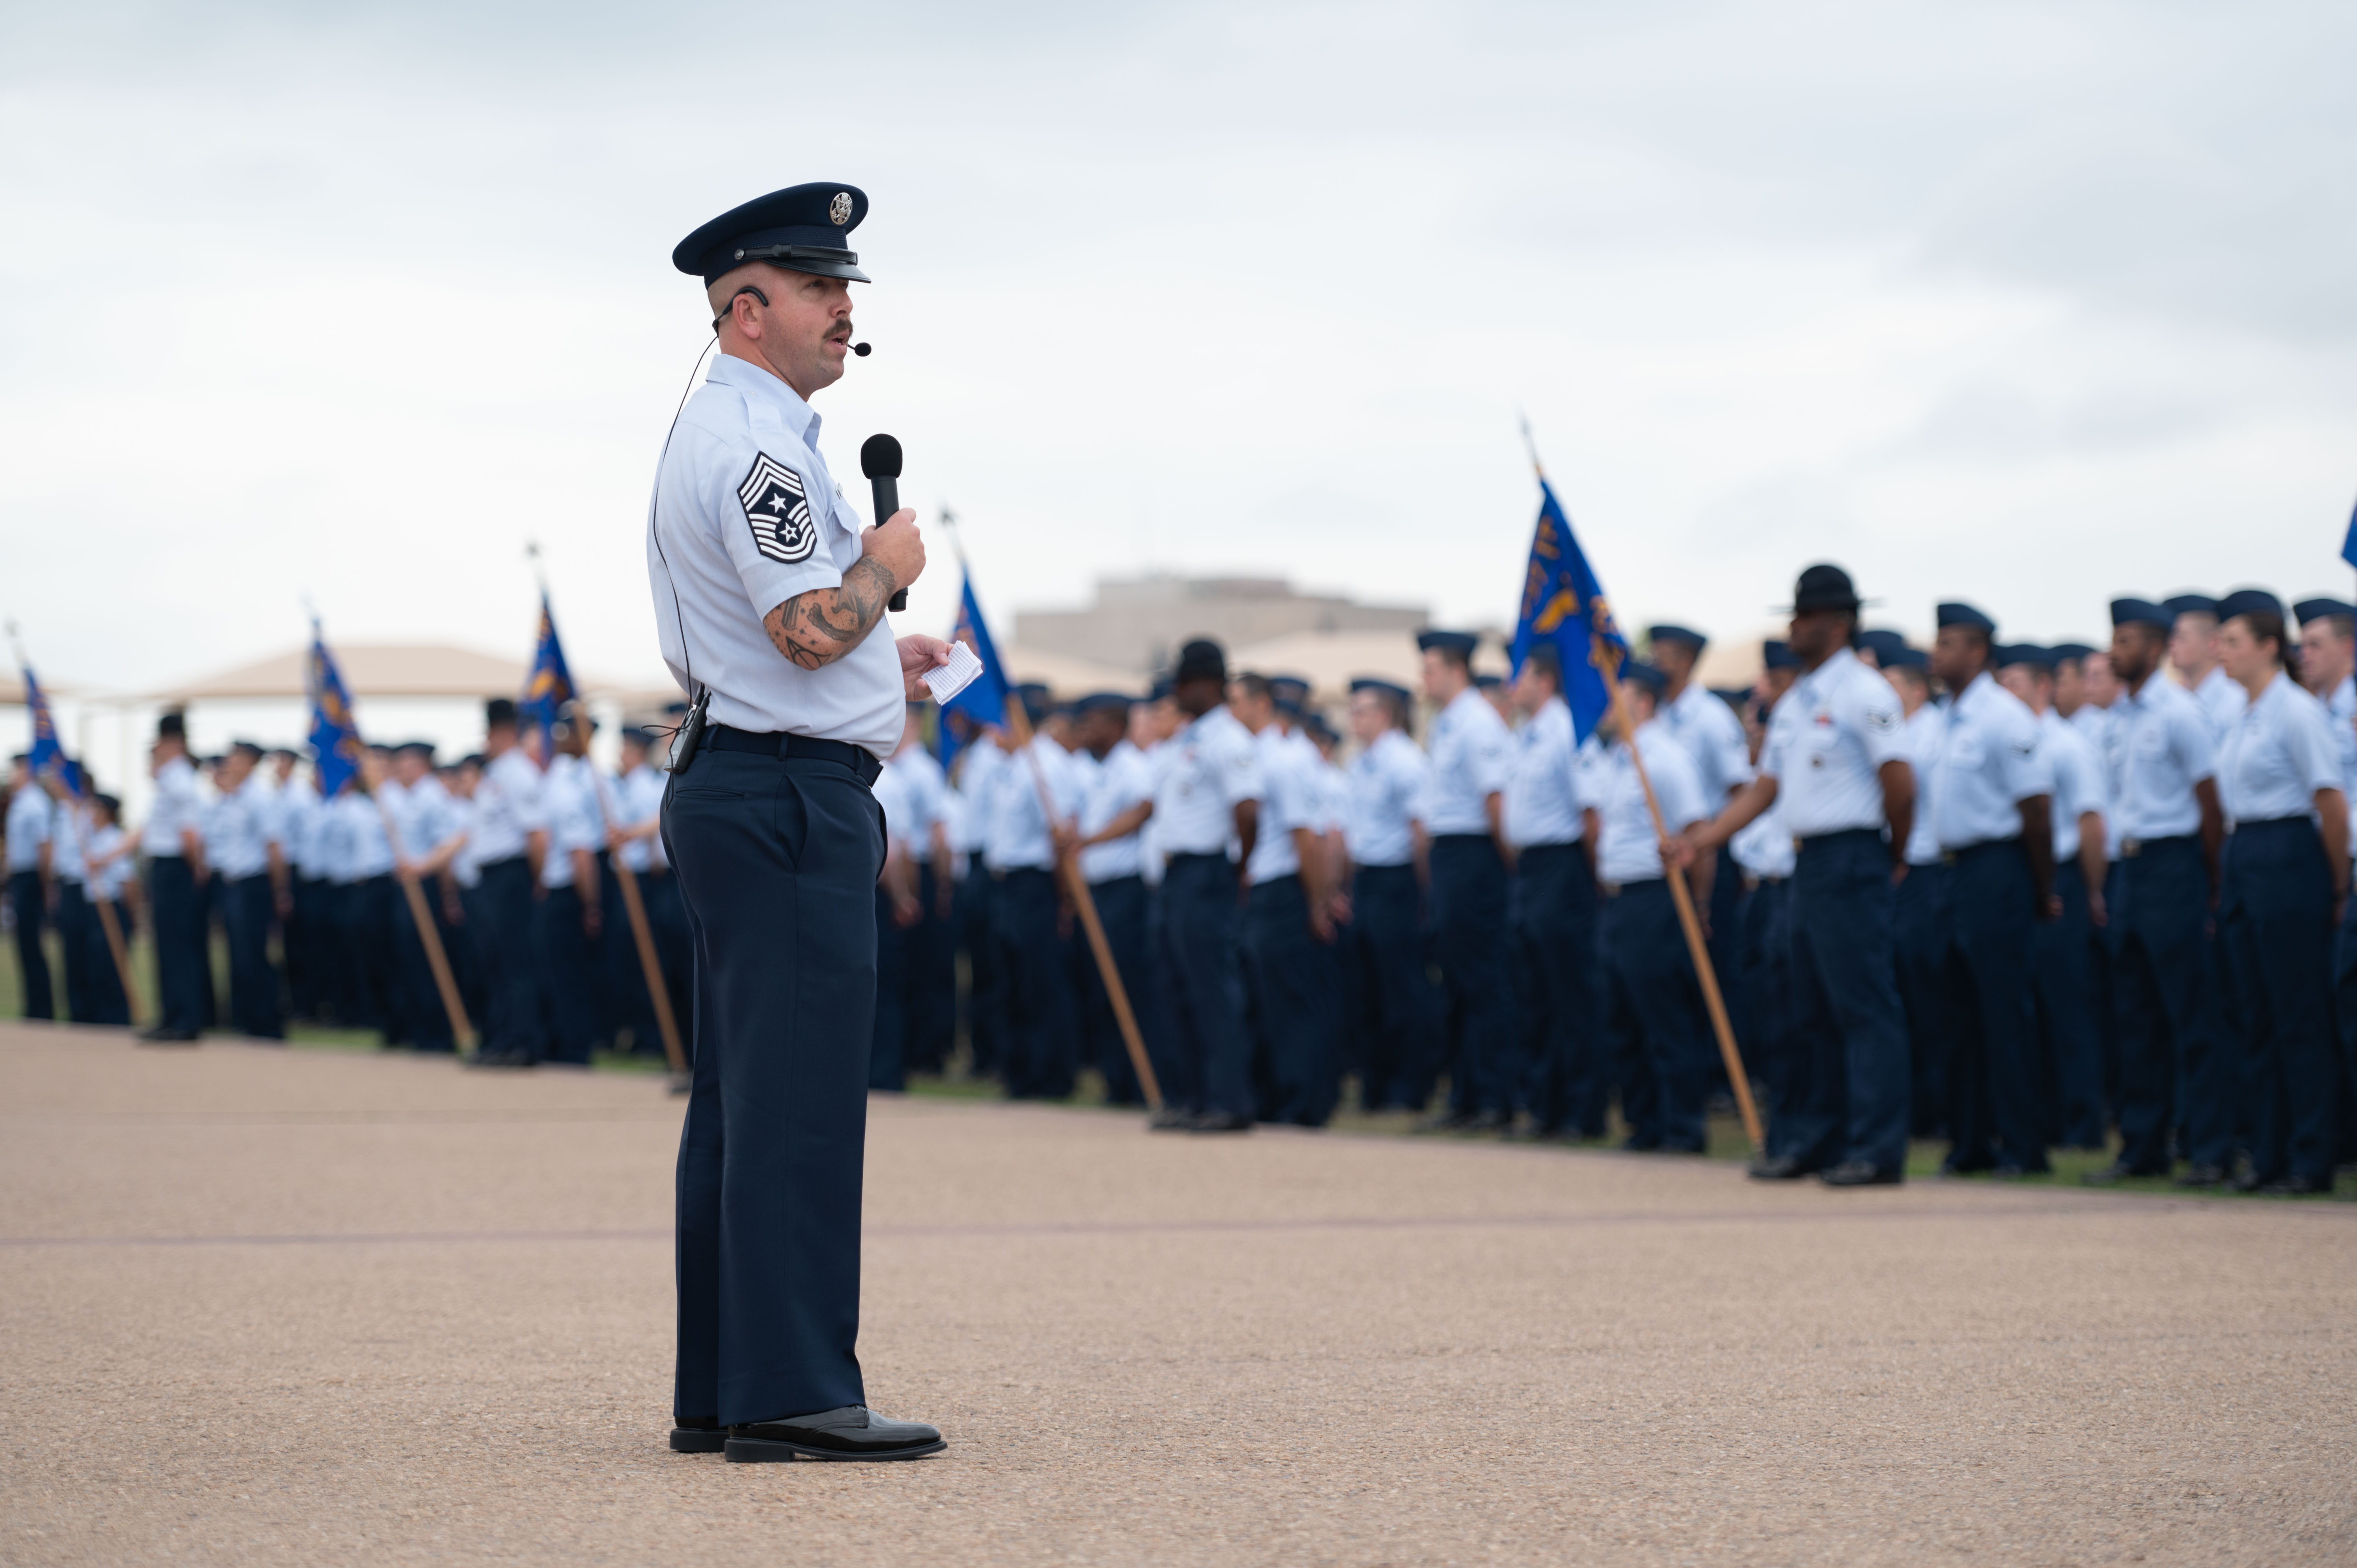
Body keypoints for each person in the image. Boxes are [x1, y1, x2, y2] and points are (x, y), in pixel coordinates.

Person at [651, 182, 951, 1461]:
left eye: (845, 289)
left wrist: (888, 656)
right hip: (781, 797)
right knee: (799, 1102)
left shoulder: (745, 437)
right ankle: (788, 1392)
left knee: (743, 1098)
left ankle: (726, 1383)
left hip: (752, 775)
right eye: (820, 286)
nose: (844, 307)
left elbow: (796, 646)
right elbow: (800, 624)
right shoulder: (762, 451)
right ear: (744, 307)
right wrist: (883, 572)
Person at [1689, 565, 1914, 1186]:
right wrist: (1702, 839)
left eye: (1802, 618)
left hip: (1852, 855)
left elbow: (1900, 782)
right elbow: (1766, 788)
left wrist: (1894, 851)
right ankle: (1815, 1139)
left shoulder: (1866, 692)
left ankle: (1876, 1147)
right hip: (1807, 862)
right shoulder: (1796, 701)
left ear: (1835, 624)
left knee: (1863, 1006)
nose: (1791, 628)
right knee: (1804, 1008)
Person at [2082, 598, 2229, 1187]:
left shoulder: (2178, 712)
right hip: (2131, 870)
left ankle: (2211, 1148)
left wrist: (2212, 883)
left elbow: (2211, 803)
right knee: (2135, 1014)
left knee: (2191, 1013)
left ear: (2154, 647)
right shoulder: (2120, 718)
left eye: (2124, 642)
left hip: (2175, 864)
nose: (2115, 652)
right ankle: (2144, 1146)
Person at [2212, 590, 2346, 1193]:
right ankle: (2267, 1153)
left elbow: (2330, 799)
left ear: (2270, 647)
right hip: (2246, 853)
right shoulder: (2242, 712)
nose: (2223, 653)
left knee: (2298, 1014)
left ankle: (2312, 1154)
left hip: (2289, 852)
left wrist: (2338, 883)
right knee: (2257, 1014)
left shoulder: (2295, 710)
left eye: (2234, 642)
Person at [1925, 608, 2056, 1176]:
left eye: (1948, 643)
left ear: (1978, 652)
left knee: (2005, 1013)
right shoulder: (1946, 719)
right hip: (1952, 872)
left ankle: (2024, 1146)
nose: (1936, 653)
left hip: (1998, 867)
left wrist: (2041, 886)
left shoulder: (2004, 716)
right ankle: (1971, 1141)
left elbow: (2036, 808)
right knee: (1959, 1015)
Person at [1591, 662, 1714, 1151]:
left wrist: (1700, 903)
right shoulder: (1621, 759)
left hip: (1656, 897)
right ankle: (1645, 1123)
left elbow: (1699, 833)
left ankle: (1683, 1125)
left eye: (1615, 696)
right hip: (1619, 899)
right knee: (1623, 1016)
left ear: (1641, 704)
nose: (1605, 706)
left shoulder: (1664, 759)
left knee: (1663, 1016)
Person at [1995, 645, 2111, 1150]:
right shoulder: (2015, 740)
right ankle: (2044, 1120)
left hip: (2062, 875)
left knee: (2068, 1008)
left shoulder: (2065, 744)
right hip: (2025, 876)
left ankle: (2083, 1126)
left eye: (2015, 684)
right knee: (2032, 1007)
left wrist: (2092, 889)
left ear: (2043, 687)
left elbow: (2090, 821)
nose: (2006, 695)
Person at [1149, 638, 1262, 1133]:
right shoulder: (1189, 739)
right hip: (1179, 877)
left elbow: (1248, 809)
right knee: (1180, 989)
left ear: (1210, 684)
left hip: (1207, 872)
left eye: (1185, 682)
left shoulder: (1229, 740)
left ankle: (1228, 1100)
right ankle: (1193, 1097)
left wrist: (1239, 867)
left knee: (1212, 990)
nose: (1177, 691)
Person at [1414, 629, 1517, 1132]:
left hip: (1475, 855)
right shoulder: (1448, 724)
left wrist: (1503, 868)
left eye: (1430, 669)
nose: (1423, 679)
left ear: (1456, 671)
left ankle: (1493, 1096)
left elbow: (1495, 801)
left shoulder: (1478, 722)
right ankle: (1465, 1095)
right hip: (1451, 854)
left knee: (1481, 979)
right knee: (1455, 978)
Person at [1232, 673, 1341, 1126]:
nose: (1230, 710)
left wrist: (1318, 903)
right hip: (1263, 889)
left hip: (1284, 890)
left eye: (1236, 700)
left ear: (1261, 704)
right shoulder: (1262, 755)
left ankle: (1304, 1101)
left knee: (1292, 1002)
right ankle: (1281, 1095)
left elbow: (1307, 838)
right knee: (1269, 1001)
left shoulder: (1285, 760)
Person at [1502, 645, 1601, 1139]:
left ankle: (1582, 1110)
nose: (1508, 686)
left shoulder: (1567, 730)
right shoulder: (1527, 735)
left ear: (1543, 681)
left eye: (1516, 676)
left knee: (1570, 992)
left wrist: (1592, 880)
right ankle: (1545, 1107)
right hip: (1532, 870)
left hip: (1564, 868)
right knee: (1535, 992)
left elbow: (1590, 814)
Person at [1340, 678, 1438, 1112]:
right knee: (1368, 988)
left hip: (1396, 880)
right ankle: (1375, 1084)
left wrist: (1422, 892)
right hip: (1366, 880)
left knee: (1402, 988)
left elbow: (1419, 832)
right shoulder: (1362, 762)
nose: (1353, 720)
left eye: (1360, 711)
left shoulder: (1404, 761)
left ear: (1384, 715)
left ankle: (1409, 1087)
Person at [979, 688, 1082, 1101]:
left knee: (1042, 982)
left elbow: (1059, 839)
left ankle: (1050, 1074)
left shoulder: (1046, 765)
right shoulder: (1014, 764)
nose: (991, 734)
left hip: (1035, 884)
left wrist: (1064, 900)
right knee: (1015, 981)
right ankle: (1021, 1071)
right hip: (1008, 884)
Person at [1065, 692, 1162, 1106]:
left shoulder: (1133, 767)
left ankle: (1135, 1081)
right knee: (1099, 987)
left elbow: (1143, 809)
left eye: (1092, 723)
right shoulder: (1092, 769)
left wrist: (1090, 839)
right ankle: (1113, 1079)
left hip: (1125, 890)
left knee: (1127, 985)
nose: (1085, 731)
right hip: (1093, 891)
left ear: (1115, 727)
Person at [1880, 644, 1952, 1137]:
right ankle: (1919, 1109)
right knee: (1905, 989)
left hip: (1927, 871)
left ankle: (1936, 1108)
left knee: (1929, 994)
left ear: (1916, 689)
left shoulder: (1933, 732)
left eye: (1892, 687)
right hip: (1902, 873)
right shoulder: (1902, 732)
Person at [468, 698, 548, 1067]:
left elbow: (537, 834)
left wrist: (535, 880)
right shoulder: (497, 772)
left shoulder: (517, 771)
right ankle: (500, 1038)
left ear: (501, 732)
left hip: (511, 875)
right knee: (495, 960)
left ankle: (521, 1042)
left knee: (514, 963)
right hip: (492, 877)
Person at [203, 741, 284, 1040]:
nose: (230, 764)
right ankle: (242, 1019)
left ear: (250, 763)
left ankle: (266, 1024)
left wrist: (278, 890)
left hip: (252, 884)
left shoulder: (259, 799)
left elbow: (274, 847)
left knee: (254, 955)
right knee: (237, 955)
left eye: (236, 759)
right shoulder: (229, 800)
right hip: (228, 884)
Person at [140, 713, 210, 1043]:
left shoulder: (179, 778)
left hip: (175, 867)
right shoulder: (170, 777)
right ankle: (172, 1015)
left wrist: (197, 868)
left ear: (174, 742)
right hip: (167, 865)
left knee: (178, 946)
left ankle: (185, 1020)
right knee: (167, 946)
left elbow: (189, 833)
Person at [5, 752, 56, 1021]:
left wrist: (46, 885)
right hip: (20, 877)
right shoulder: (20, 802)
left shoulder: (35, 802)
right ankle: (33, 1007)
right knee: (23, 944)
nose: (12, 775)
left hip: (31, 878)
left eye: (16, 769)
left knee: (32, 945)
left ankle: (42, 1009)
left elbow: (44, 846)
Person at [2164, 594, 2249, 742]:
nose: (2171, 644)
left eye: (2180, 636)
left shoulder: (2236, 702)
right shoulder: (2177, 698)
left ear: (2213, 643)